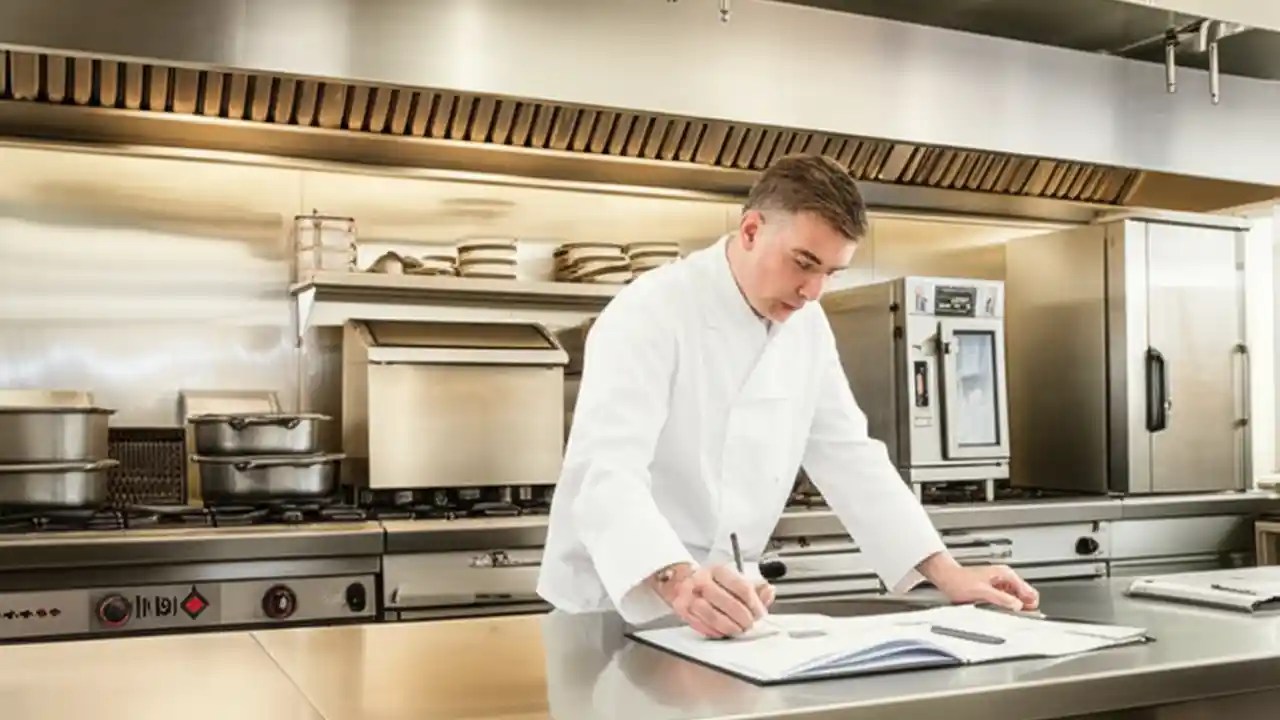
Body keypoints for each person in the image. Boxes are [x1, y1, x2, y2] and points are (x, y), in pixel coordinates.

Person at [536, 154, 1038, 638]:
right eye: (804, 263)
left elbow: (849, 454)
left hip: (729, 611)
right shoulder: (649, 310)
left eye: (831, 273)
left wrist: (948, 572)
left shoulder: (808, 328)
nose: (813, 291)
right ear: (751, 230)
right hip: (615, 607)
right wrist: (676, 579)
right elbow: (606, 473)